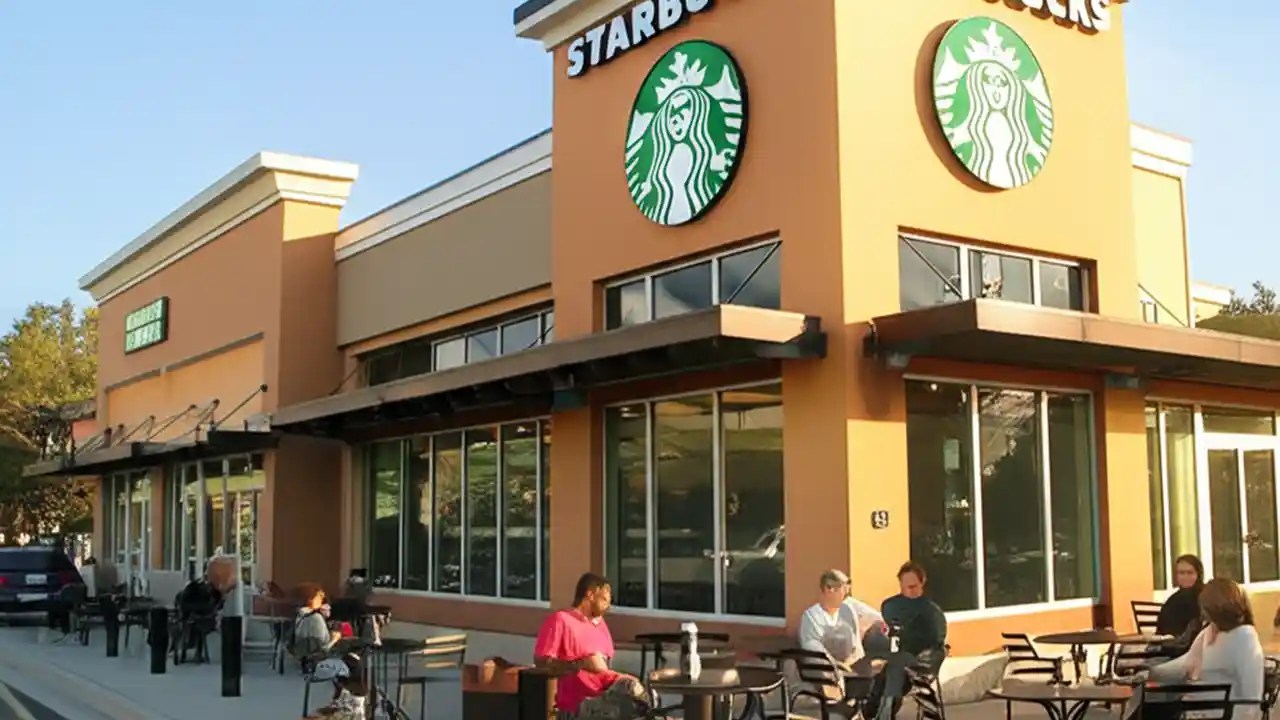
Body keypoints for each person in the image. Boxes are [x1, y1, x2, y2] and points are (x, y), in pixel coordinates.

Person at [1145, 577, 1265, 720]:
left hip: (1221, 714)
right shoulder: (1209, 632)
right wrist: (1149, 673)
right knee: (1147, 703)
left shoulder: (1245, 638)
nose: (1202, 612)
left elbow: (1251, 698)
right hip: (1193, 710)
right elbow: (1184, 665)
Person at [534, 573, 647, 719]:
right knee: (631, 693)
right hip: (576, 704)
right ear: (591, 595)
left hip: (605, 696)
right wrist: (580, 664)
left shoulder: (601, 626)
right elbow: (541, 663)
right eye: (604, 600)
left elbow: (604, 671)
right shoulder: (561, 620)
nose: (608, 606)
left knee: (643, 697)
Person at [870, 562, 948, 720]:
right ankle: (872, 712)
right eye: (905, 587)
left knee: (896, 672)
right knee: (883, 678)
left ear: (922, 583)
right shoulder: (891, 605)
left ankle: (884, 713)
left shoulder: (931, 611)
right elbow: (889, 629)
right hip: (898, 656)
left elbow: (936, 640)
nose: (909, 591)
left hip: (921, 659)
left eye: (913, 586)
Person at [798, 569, 888, 672]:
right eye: (843, 591)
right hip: (825, 670)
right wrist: (836, 665)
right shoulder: (812, 617)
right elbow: (814, 650)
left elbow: (876, 617)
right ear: (829, 589)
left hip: (853, 666)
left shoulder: (848, 608)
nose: (846, 597)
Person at [1156, 554, 1205, 656]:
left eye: (1190, 573)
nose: (1185, 577)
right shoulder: (1172, 601)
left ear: (1198, 574)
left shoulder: (1207, 597)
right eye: (1181, 573)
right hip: (1172, 649)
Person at [291, 583, 342, 667]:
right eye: (320, 596)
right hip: (318, 660)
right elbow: (322, 649)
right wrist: (335, 639)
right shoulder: (316, 618)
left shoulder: (300, 615)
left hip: (300, 656)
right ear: (310, 599)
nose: (322, 600)